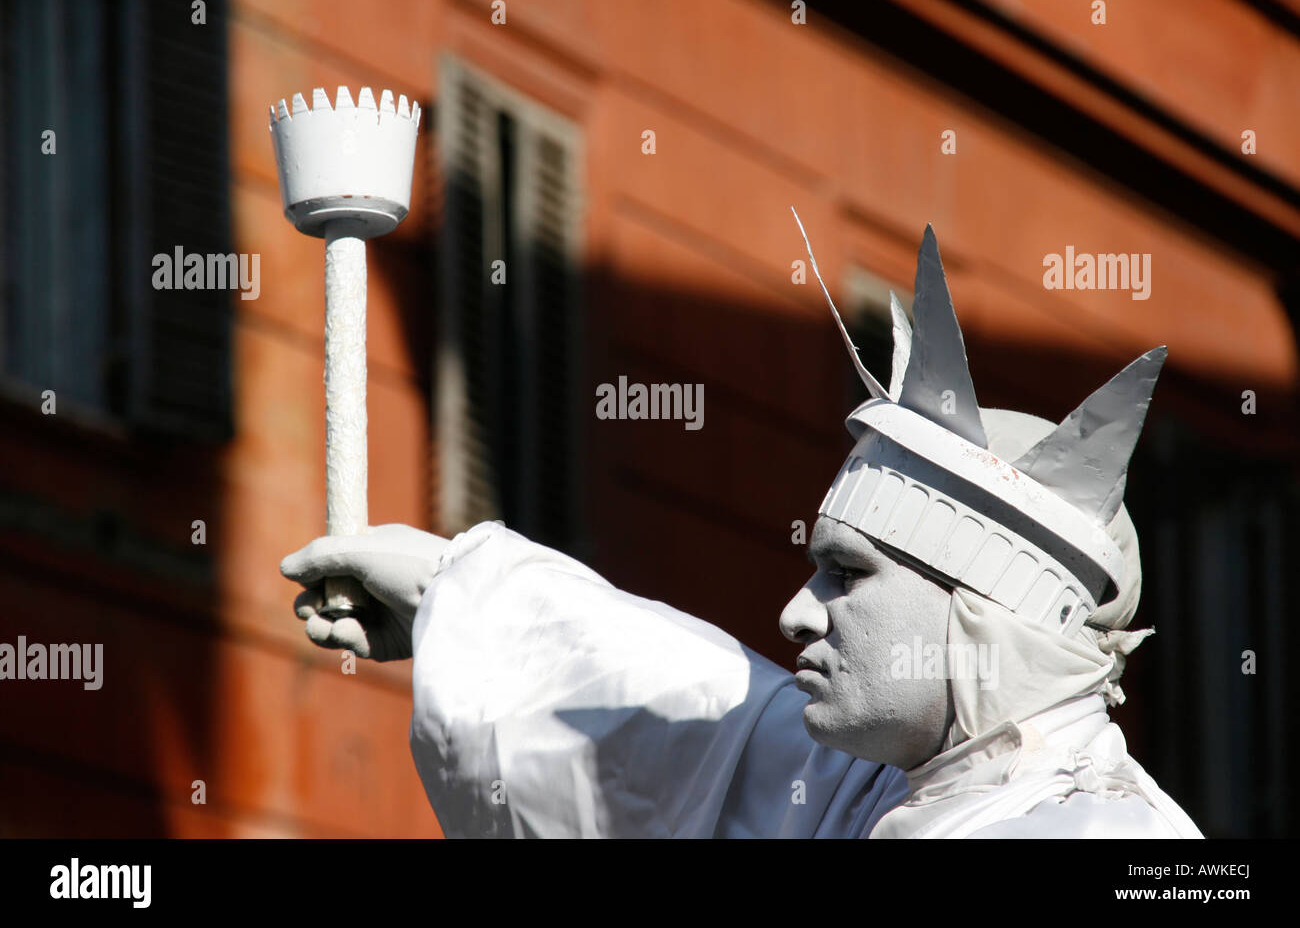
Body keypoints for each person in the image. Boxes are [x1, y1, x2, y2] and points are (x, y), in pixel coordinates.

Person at [281, 222, 1202, 838]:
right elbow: (686, 713)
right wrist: (449, 591)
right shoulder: (896, 791)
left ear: (981, 609)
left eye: (849, 573)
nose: (797, 613)